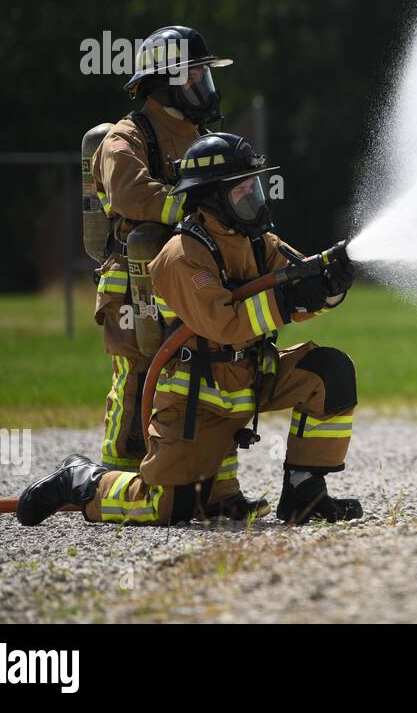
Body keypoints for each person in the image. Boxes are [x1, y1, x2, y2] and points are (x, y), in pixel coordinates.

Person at [18, 133, 363, 526]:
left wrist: (331, 283)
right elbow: (226, 323)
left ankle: (304, 493)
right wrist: (292, 299)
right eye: (242, 191)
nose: (254, 199)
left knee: (329, 371)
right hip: (196, 399)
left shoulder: (256, 242)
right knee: (168, 507)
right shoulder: (181, 255)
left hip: (248, 381)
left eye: (255, 187)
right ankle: (82, 481)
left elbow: (299, 284)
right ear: (212, 198)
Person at [91, 26, 260, 518]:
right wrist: (193, 207)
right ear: (163, 84)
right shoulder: (126, 137)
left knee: (210, 373)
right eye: (195, 77)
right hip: (135, 289)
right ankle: (111, 480)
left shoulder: (203, 140)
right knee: (137, 375)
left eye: (206, 76)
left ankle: (219, 491)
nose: (205, 88)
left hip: (192, 275)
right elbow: (129, 193)